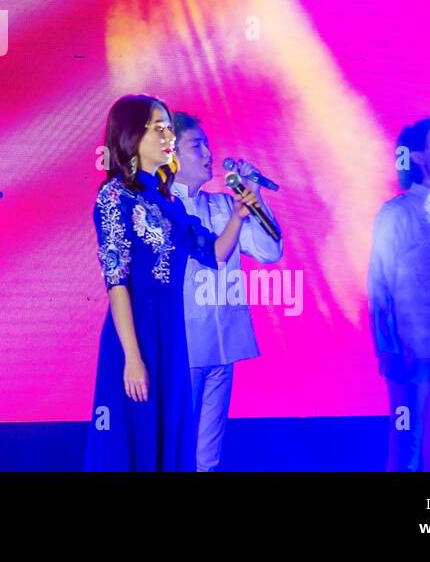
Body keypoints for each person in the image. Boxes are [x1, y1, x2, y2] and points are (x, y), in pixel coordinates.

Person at [84, 95, 259, 471]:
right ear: (132, 136)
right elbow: (116, 282)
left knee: (175, 441)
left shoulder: (166, 202)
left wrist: (241, 214)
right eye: (158, 128)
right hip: (135, 334)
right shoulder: (114, 195)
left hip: (173, 336)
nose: (168, 137)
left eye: (169, 128)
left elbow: (214, 254)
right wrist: (132, 357)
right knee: (133, 438)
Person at [170, 111, 282, 472]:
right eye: (196, 145)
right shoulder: (165, 210)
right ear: (171, 154)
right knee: (177, 450)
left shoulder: (220, 205)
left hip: (223, 344)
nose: (208, 153)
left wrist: (256, 197)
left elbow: (270, 250)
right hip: (183, 347)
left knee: (208, 457)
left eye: (207, 144)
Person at [368, 115, 430, 472]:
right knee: (409, 448)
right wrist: (386, 347)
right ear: (417, 156)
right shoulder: (397, 212)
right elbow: (379, 286)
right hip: (412, 355)